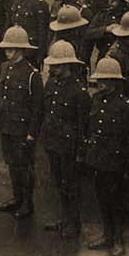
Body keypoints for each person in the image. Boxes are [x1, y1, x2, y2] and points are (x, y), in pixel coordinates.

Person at [80, 56, 129, 256]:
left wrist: (127, 168)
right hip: (97, 158)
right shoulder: (95, 100)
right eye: (100, 80)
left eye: (105, 80)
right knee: (102, 200)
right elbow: (90, 128)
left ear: (115, 82)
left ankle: (118, 239)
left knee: (117, 202)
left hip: (116, 162)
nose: (101, 84)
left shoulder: (126, 106)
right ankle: (107, 234)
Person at [39, 40, 91, 239]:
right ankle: (65, 218)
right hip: (53, 142)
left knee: (71, 185)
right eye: (52, 66)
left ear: (68, 65)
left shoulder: (78, 92)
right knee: (59, 183)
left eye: (57, 66)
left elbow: (83, 126)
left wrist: (80, 152)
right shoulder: (51, 83)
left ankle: (73, 223)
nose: (53, 69)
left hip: (69, 147)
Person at [0, 26, 42, 218]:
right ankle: (16, 197)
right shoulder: (5, 68)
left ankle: (27, 203)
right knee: (12, 163)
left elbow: (37, 108)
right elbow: (0, 97)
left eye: (11, 49)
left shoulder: (32, 75)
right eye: (6, 48)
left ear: (21, 50)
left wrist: (32, 132)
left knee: (24, 167)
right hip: (7, 125)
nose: (7, 52)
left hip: (22, 129)